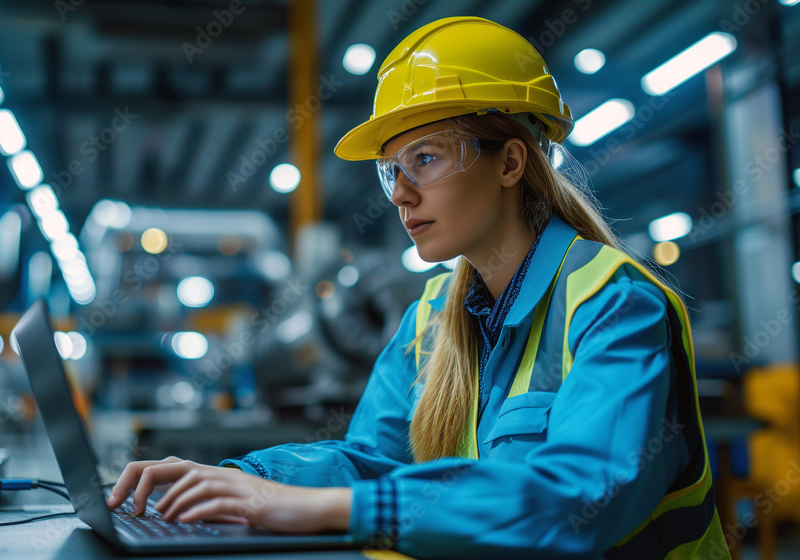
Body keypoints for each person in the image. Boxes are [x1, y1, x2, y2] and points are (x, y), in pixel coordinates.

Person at [108, 16, 732, 559]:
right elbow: (369, 460)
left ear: (511, 162)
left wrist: (341, 510)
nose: (402, 194)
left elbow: (575, 502)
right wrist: (235, 478)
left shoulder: (614, 305)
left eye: (426, 159)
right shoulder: (432, 316)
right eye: (392, 171)